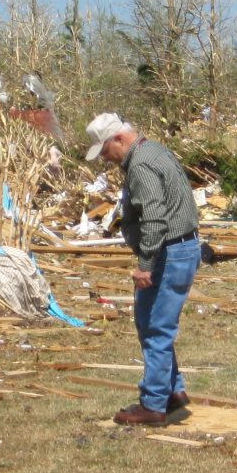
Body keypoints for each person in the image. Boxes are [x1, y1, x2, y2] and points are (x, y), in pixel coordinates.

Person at [86, 112, 201, 426]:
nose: (107, 160)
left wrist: (145, 265)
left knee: (155, 328)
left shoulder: (140, 164)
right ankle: (171, 393)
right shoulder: (154, 150)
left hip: (170, 252)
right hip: (179, 248)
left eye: (107, 151)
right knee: (150, 322)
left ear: (119, 139)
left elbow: (154, 217)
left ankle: (153, 404)